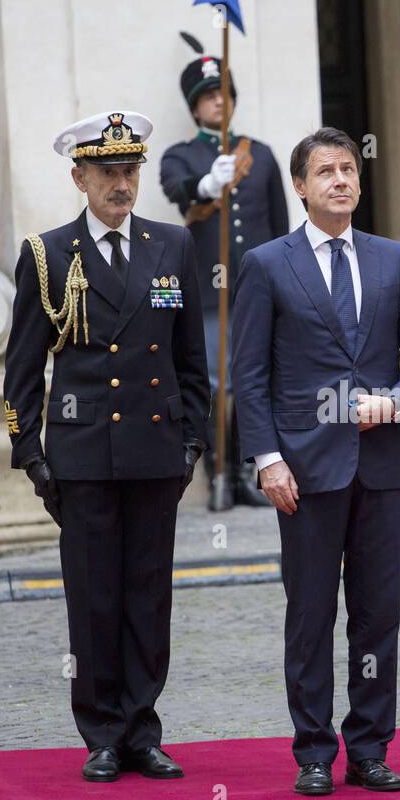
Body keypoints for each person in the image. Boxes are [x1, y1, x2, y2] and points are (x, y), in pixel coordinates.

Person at [231, 128, 400, 795]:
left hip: (380, 466)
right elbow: (249, 373)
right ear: (300, 186)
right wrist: (267, 460)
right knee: (311, 613)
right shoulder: (267, 264)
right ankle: (314, 752)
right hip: (306, 469)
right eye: (326, 171)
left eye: (349, 169)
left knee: (378, 613)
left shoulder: (391, 259)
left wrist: (399, 400)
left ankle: (370, 748)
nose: (341, 181)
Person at [2, 110, 210, 783]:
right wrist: (31, 456)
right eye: (107, 172)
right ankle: (100, 732)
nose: (122, 183)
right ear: (79, 177)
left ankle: (143, 730)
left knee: (149, 595)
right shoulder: (48, 254)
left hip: (154, 452)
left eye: (130, 170)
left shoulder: (172, 245)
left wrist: (191, 444)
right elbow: (24, 368)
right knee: (94, 597)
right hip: (84, 452)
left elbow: (190, 358)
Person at [160, 35, 290, 509]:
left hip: (255, 290)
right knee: (213, 384)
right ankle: (215, 473)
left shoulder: (264, 154)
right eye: (209, 96)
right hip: (205, 290)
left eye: (224, 93)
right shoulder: (180, 155)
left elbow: (280, 228)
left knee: (255, 378)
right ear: (195, 109)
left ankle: (241, 470)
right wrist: (205, 184)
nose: (219, 101)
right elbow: (175, 189)